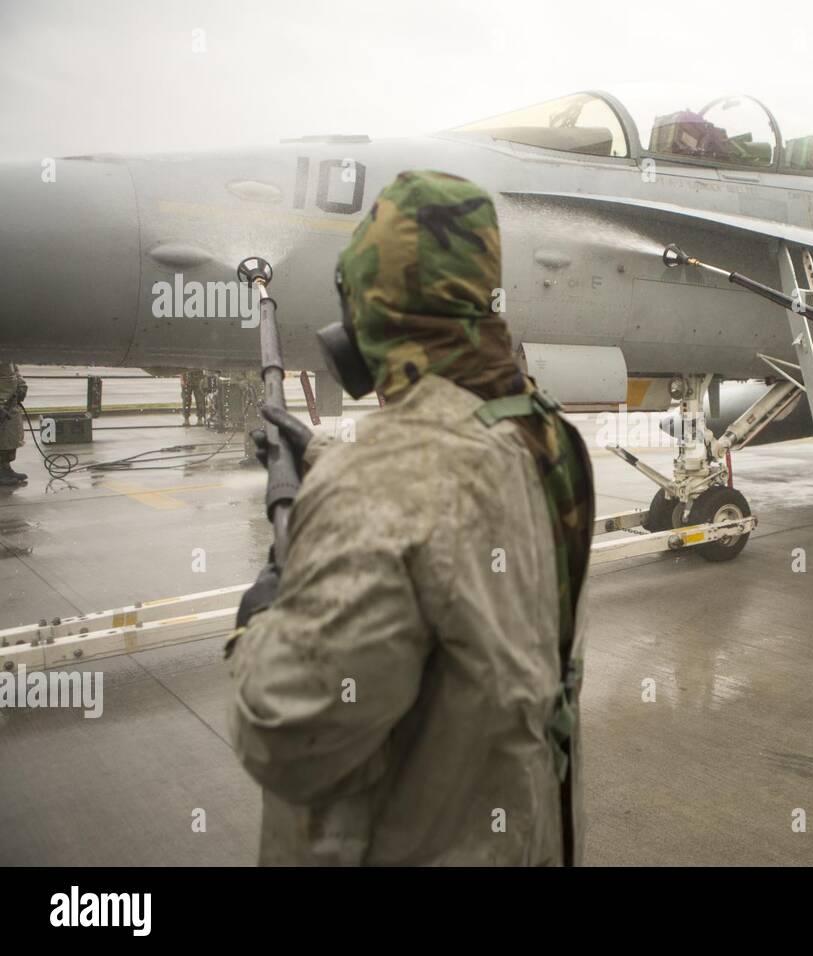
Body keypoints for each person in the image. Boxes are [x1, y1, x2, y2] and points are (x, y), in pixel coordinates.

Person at [226, 171, 594, 866]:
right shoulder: (545, 435)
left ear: (364, 310)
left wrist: (257, 624)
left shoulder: (389, 479)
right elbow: (452, 496)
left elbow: (289, 738)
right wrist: (328, 460)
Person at [0, 360, 28, 486]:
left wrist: (22, 385)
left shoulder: (8, 354)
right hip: (2, 403)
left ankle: (6, 468)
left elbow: (15, 371)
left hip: (10, 402)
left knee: (11, 437)